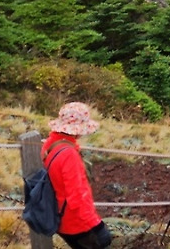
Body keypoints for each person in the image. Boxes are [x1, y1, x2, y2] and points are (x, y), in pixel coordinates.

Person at [44, 102, 112, 248]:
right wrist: (95, 224)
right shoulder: (69, 154)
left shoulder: (50, 144)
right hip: (75, 223)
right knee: (104, 241)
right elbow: (77, 196)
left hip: (59, 215)